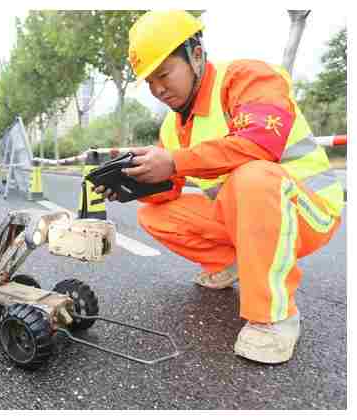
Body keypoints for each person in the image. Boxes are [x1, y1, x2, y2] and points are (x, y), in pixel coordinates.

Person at [96, 10, 344, 364]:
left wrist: (175, 161)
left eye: (164, 74)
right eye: (150, 82)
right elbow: (170, 190)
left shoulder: (246, 77)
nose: (158, 89)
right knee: (155, 216)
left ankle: (275, 317)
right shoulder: (172, 125)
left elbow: (260, 146)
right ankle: (240, 264)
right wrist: (133, 185)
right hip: (247, 216)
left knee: (253, 177)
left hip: (310, 210)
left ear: (196, 54)